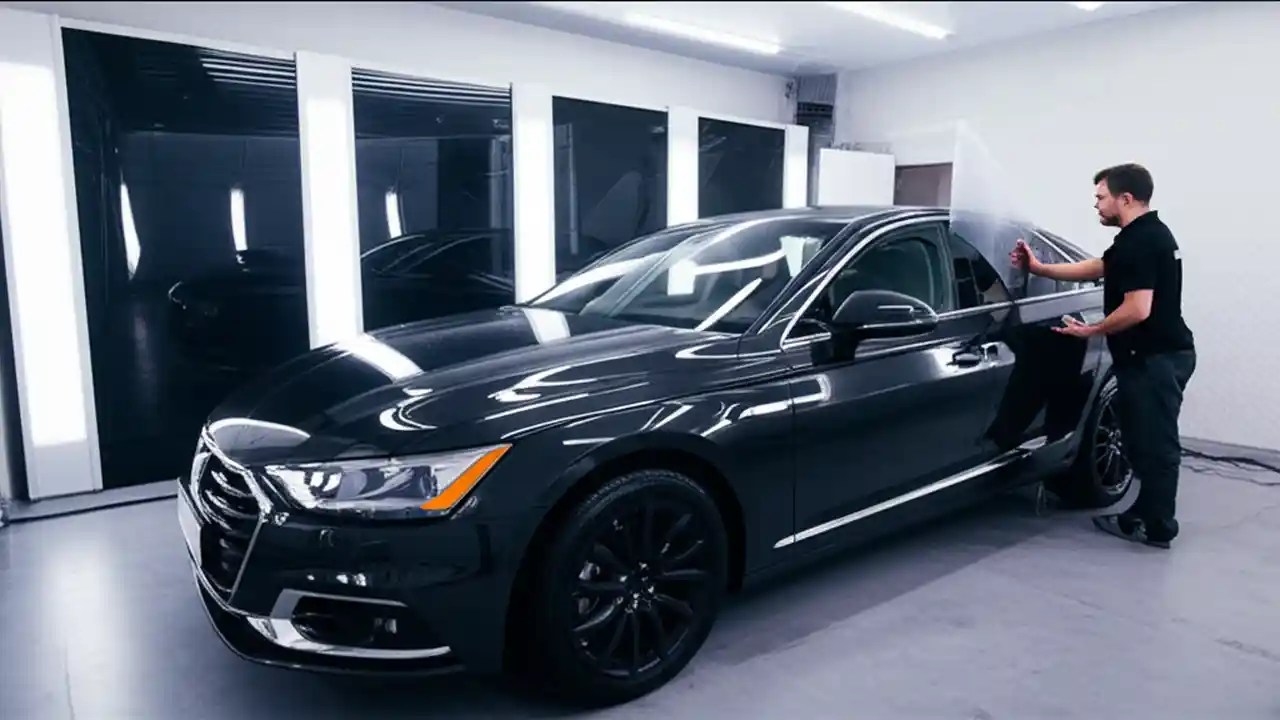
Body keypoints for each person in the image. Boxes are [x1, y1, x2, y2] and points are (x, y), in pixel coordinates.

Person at [1010, 163, 1195, 548]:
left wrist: (1091, 330)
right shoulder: (1140, 237)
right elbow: (1099, 267)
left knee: (1155, 445)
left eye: (1100, 197)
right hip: (1153, 356)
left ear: (1125, 198)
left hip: (1156, 359)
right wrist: (1040, 266)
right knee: (1143, 441)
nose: (1095, 204)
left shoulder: (1144, 241)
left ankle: (1158, 526)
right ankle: (1142, 514)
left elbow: (1138, 309)